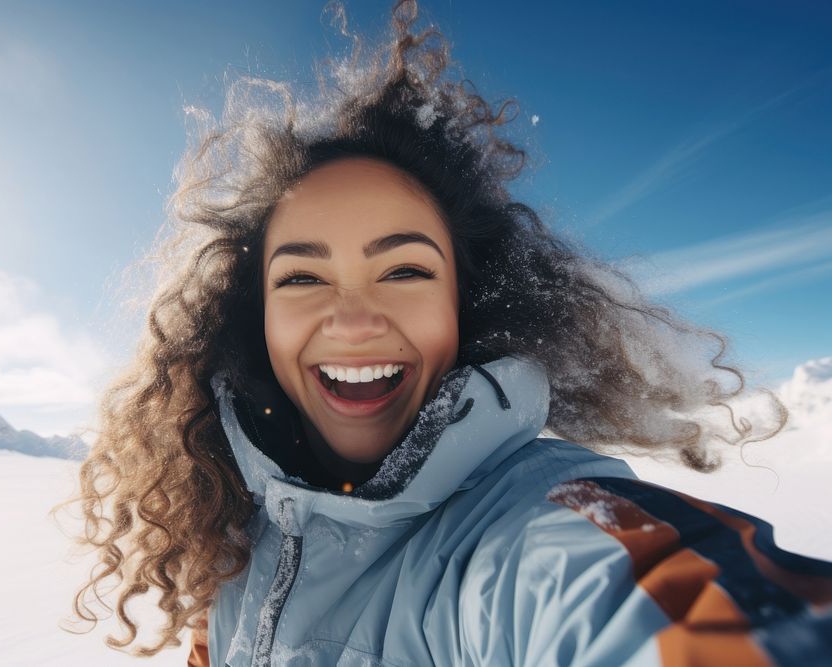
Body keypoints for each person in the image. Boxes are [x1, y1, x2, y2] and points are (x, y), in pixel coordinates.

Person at [62, 2, 832, 664]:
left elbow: (667, 602)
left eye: (404, 271)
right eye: (301, 277)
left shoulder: (535, 523)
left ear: (467, 304)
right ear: (250, 317)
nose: (355, 319)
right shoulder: (240, 528)